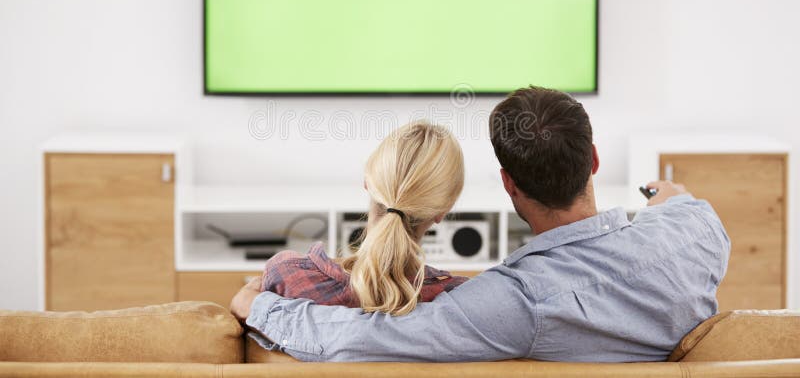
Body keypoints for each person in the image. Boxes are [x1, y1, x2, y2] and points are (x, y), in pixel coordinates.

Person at [231, 86, 731, 363]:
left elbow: (361, 338)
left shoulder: (512, 303)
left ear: (508, 184)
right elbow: (685, 207)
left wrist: (261, 306)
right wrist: (668, 200)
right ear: (594, 159)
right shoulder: (697, 230)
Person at [237, 120, 469, 318]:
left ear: (368, 183)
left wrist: (248, 302)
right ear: (444, 210)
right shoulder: (461, 302)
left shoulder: (287, 277)